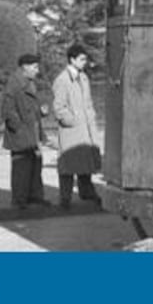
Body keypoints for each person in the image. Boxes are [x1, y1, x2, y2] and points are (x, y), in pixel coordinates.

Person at [53, 44, 102, 208]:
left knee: (85, 161)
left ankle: (86, 191)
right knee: (68, 164)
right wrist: (72, 120)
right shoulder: (62, 80)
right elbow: (59, 107)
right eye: (81, 59)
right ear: (72, 59)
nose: (84, 62)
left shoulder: (83, 78)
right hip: (72, 130)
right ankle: (65, 198)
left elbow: (88, 103)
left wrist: (90, 118)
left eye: (85, 59)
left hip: (85, 128)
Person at [2, 54, 49, 209]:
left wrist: (40, 112)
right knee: (21, 168)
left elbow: (29, 108)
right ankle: (20, 200)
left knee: (35, 165)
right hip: (22, 134)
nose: (37, 70)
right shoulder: (14, 84)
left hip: (31, 131)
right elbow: (8, 111)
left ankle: (34, 197)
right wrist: (20, 128)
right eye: (34, 67)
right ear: (25, 67)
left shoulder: (28, 82)